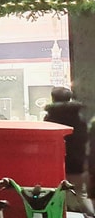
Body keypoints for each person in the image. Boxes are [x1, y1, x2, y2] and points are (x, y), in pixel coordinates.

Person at [43, 87, 94, 217]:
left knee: (55, 194)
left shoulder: (49, 118)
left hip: (54, 163)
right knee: (81, 193)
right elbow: (84, 140)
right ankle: (91, 214)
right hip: (77, 162)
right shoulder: (79, 117)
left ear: (53, 98)